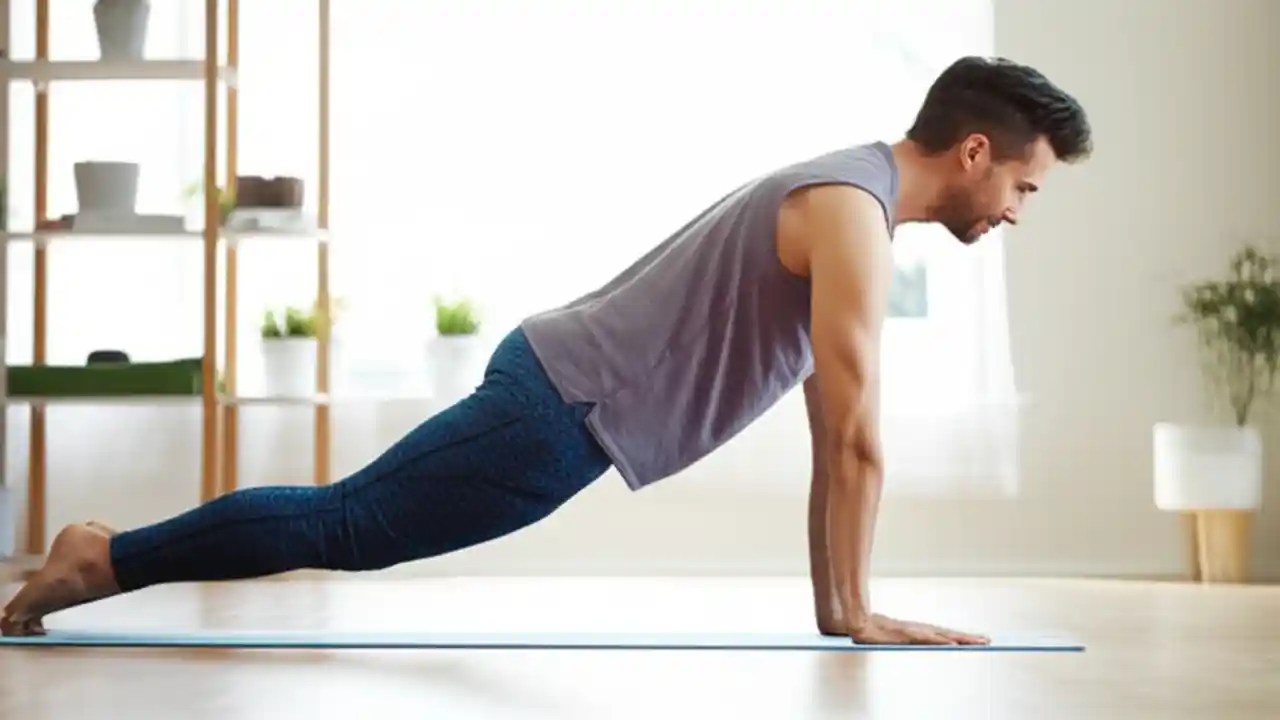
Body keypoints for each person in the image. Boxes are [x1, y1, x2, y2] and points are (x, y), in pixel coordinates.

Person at [2, 56, 1091, 643]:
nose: (1017, 211)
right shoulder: (850, 211)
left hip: (556, 399)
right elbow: (851, 438)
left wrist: (839, 611)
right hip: (556, 410)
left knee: (348, 522)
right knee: (343, 524)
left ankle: (103, 549)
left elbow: (837, 435)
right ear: (976, 150)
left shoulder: (848, 194)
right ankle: (101, 558)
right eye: (1024, 187)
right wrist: (853, 615)